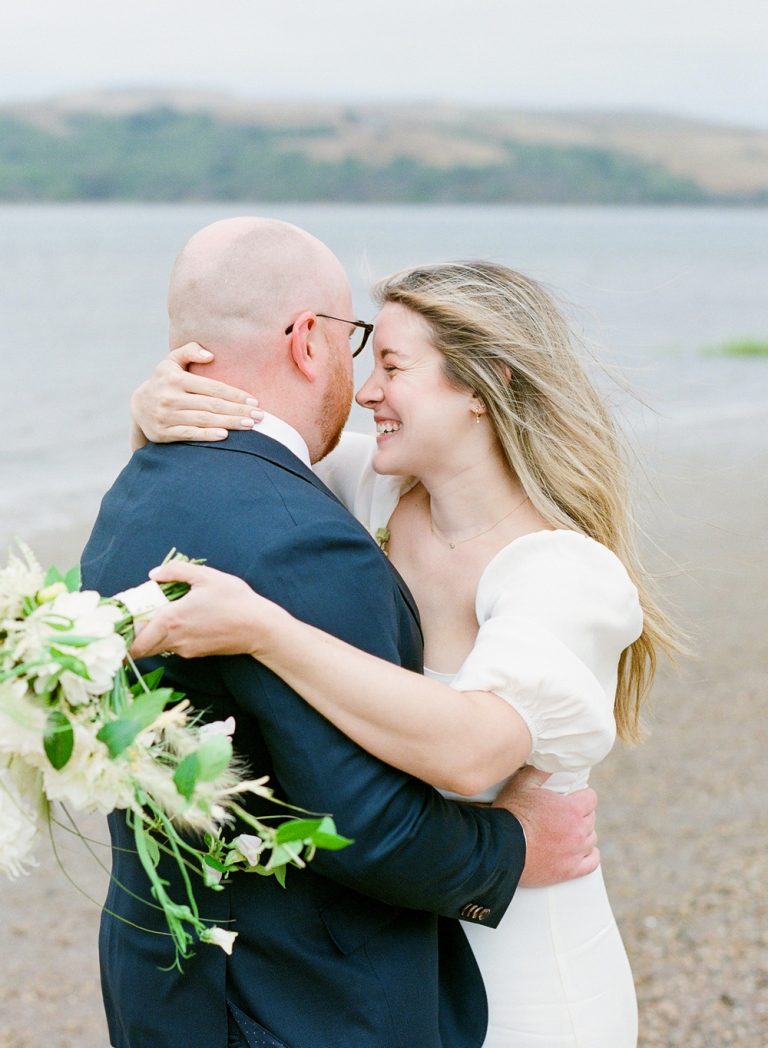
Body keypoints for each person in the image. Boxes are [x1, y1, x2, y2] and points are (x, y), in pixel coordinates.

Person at [131, 256, 678, 1048]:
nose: (368, 392)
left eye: (392, 366)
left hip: (527, 965)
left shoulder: (562, 570)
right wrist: (153, 406)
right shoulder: (375, 491)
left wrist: (265, 632)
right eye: (367, 361)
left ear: (484, 385)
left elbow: (471, 751)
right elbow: (248, 461)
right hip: (412, 957)